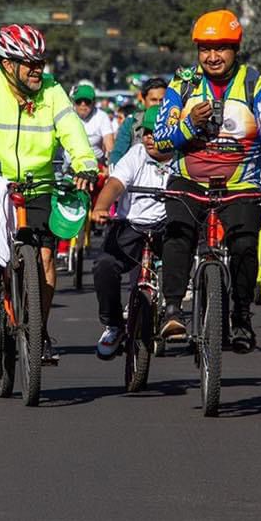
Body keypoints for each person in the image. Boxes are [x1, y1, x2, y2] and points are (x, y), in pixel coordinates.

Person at [0, 25, 98, 354]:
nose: (39, 70)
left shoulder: (53, 92)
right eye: (30, 63)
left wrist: (85, 165)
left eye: (41, 62)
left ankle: (38, 332)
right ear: (8, 65)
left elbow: (72, 132)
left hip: (38, 182)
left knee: (46, 255)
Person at [151, 9, 261, 353]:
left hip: (240, 185)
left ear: (235, 50)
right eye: (205, 49)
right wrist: (189, 126)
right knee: (177, 236)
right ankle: (173, 310)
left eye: (221, 48)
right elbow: (159, 139)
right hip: (189, 181)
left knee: (246, 244)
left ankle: (242, 317)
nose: (212, 57)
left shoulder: (256, 85)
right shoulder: (183, 84)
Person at [89, 105, 171, 357]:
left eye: (155, 132)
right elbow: (115, 184)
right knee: (104, 265)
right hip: (130, 226)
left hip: (168, 228)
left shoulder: (184, 159)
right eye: (145, 132)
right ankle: (114, 325)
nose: (148, 137)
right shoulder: (136, 154)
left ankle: (177, 316)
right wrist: (101, 207)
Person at [110, 77, 168, 166]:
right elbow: (118, 153)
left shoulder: (174, 121)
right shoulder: (131, 122)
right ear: (143, 101)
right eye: (153, 100)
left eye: (162, 100)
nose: (158, 104)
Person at [72, 83, 116, 166]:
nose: (83, 104)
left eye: (87, 101)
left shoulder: (102, 116)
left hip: (95, 164)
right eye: (79, 101)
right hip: (70, 163)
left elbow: (109, 146)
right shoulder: (67, 116)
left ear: (93, 103)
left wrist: (110, 167)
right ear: (74, 103)